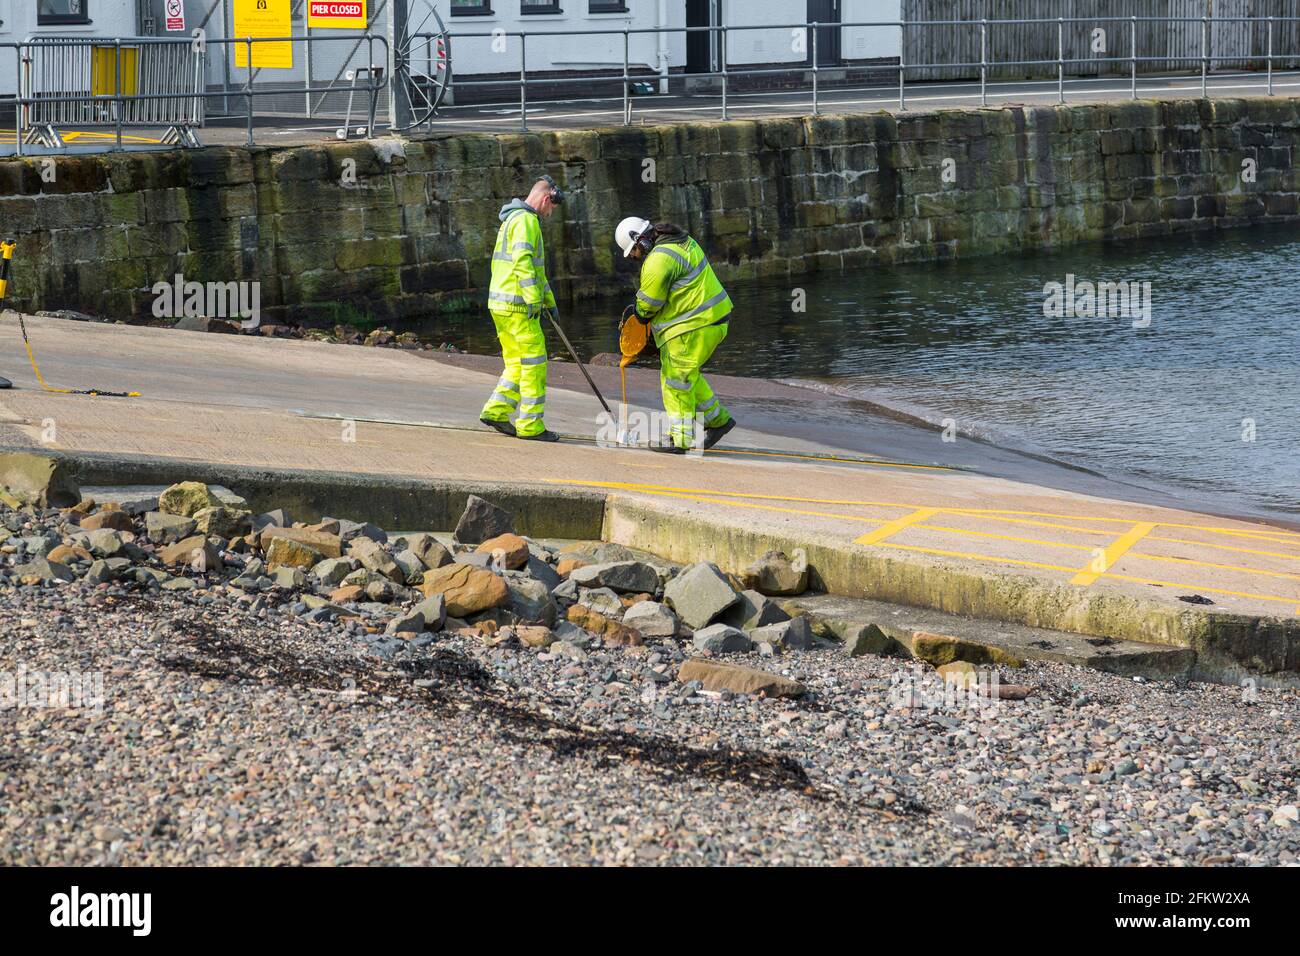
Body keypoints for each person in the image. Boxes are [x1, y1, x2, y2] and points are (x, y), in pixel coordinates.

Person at [615, 216, 736, 453]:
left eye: (633, 252)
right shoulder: (682, 241)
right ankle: (718, 421)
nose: (635, 258)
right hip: (714, 318)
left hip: (693, 325)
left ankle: (679, 439)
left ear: (639, 241)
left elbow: (648, 306)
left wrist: (637, 315)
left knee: (675, 381)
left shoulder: (658, 260)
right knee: (687, 374)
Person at [479, 175, 565, 442]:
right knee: (534, 365)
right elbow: (523, 263)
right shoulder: (527, 221)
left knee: (516, 363)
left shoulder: (512, 220)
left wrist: (549, 302)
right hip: (519, 308)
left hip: (501, 305)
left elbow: (537, 272)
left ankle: (496, 410)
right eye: (552, 207)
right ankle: (530, 425)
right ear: (545, 198)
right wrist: (534, 301)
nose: (551, 213)